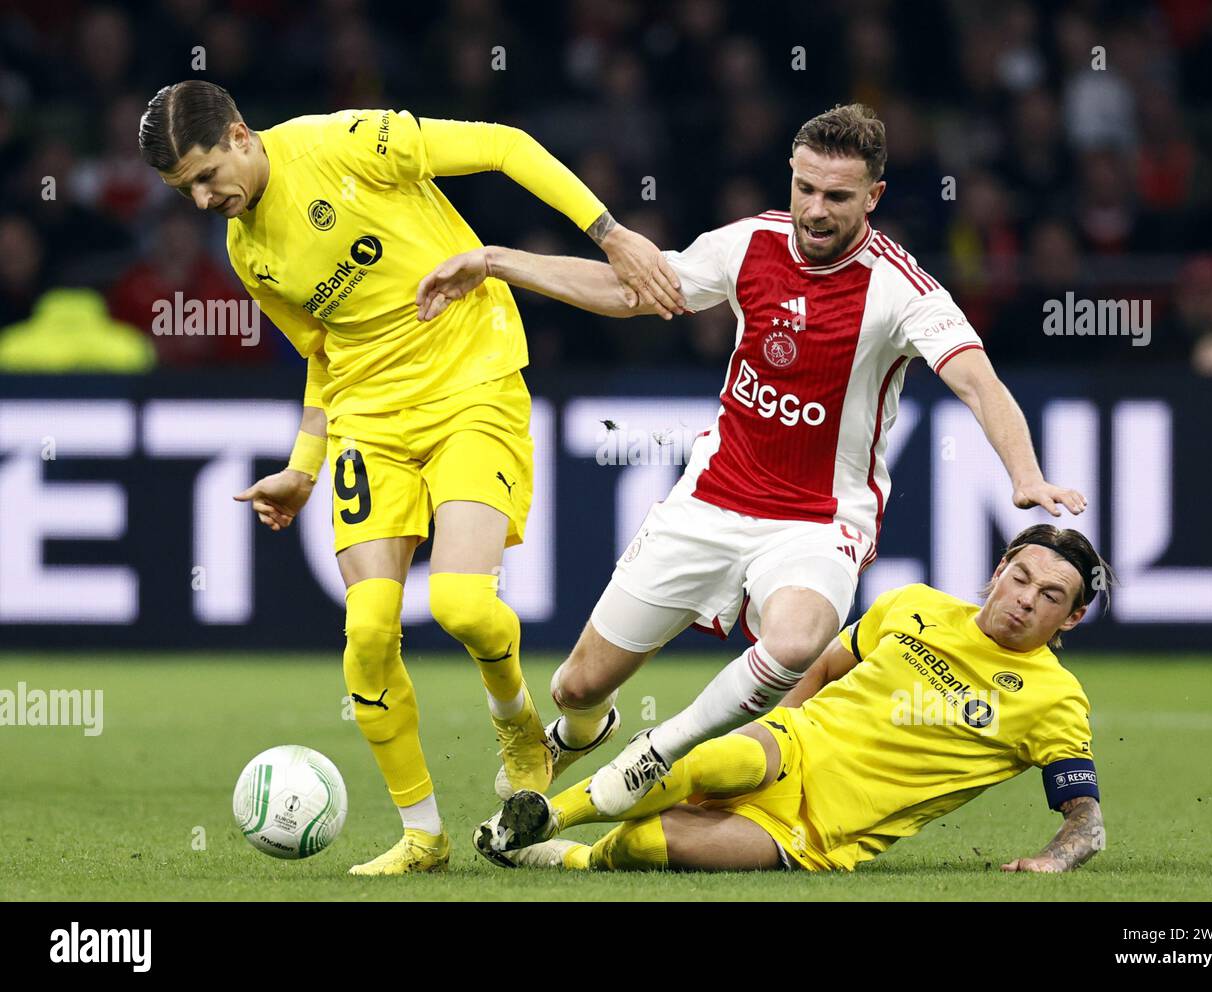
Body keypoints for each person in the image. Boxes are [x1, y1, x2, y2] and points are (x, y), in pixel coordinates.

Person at [419, 103, 1087, 818]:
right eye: (805, 188)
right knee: (576, 687)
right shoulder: (747, 245)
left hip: (818, 520)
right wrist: (496, 262)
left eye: (837, 196)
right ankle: (582, 732)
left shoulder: (901, 289)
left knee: (797, 642)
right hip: (710, 500)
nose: (815, 210)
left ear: (873, 197)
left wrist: (1025, 473)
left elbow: (978, 382)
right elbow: (630, 292)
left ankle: (658, 752)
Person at [138, 79, 684, 875]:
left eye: (204, 176)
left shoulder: (347, 143)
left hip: (471, 385)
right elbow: (323, 353)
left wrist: (610, 233)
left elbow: (503, 145)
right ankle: (423, 835)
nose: (200, 200)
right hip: (369, 422)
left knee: (462, 604)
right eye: (183, 190)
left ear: (240, 135)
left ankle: (518, 726)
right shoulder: (245, 250)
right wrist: (302, 467)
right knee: (366, 635)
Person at [476, 524, 1110, 874]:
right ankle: (545, 816)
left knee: (645, 848)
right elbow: (827, 661)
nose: (1025, 599)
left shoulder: (1055, 700)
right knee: (717, 759)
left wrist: (1052, 862)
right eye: (1020, 577)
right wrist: (780, 730)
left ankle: (565, 857)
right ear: (999, 571)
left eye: (1050, 596)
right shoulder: (915, 604)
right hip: (793, 746)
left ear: (1072, 617)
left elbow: (1087, 821)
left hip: (820, 833)